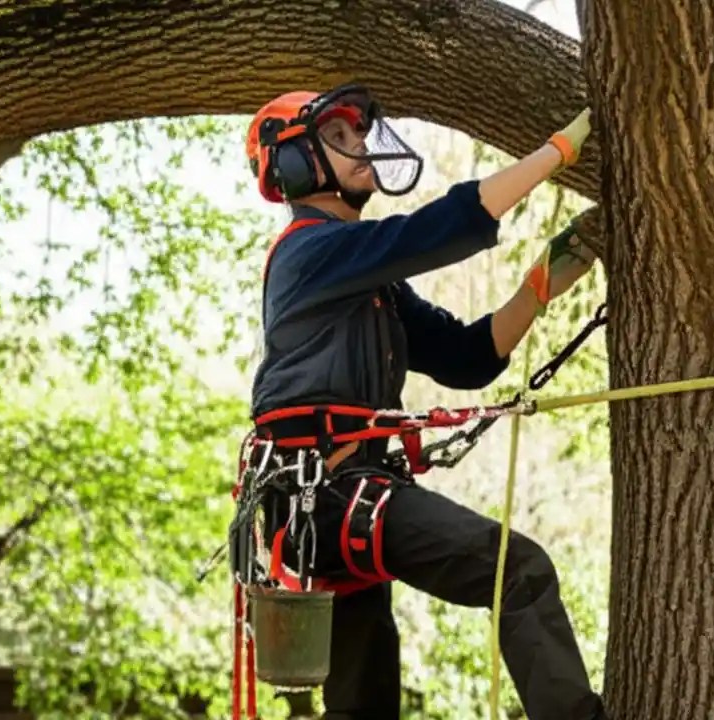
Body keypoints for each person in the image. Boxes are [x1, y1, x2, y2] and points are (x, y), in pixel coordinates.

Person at [241, 83, 607, 720]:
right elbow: (437, 230)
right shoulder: (308, 252)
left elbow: (466, 358)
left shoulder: (369, 285)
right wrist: (555, 153)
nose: (360, 149)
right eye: (338, 138)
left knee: (364, 703)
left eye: (359, 136)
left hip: (334, 500)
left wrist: (555, 269)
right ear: (293, 164)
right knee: (514, 571)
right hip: (325, 495)